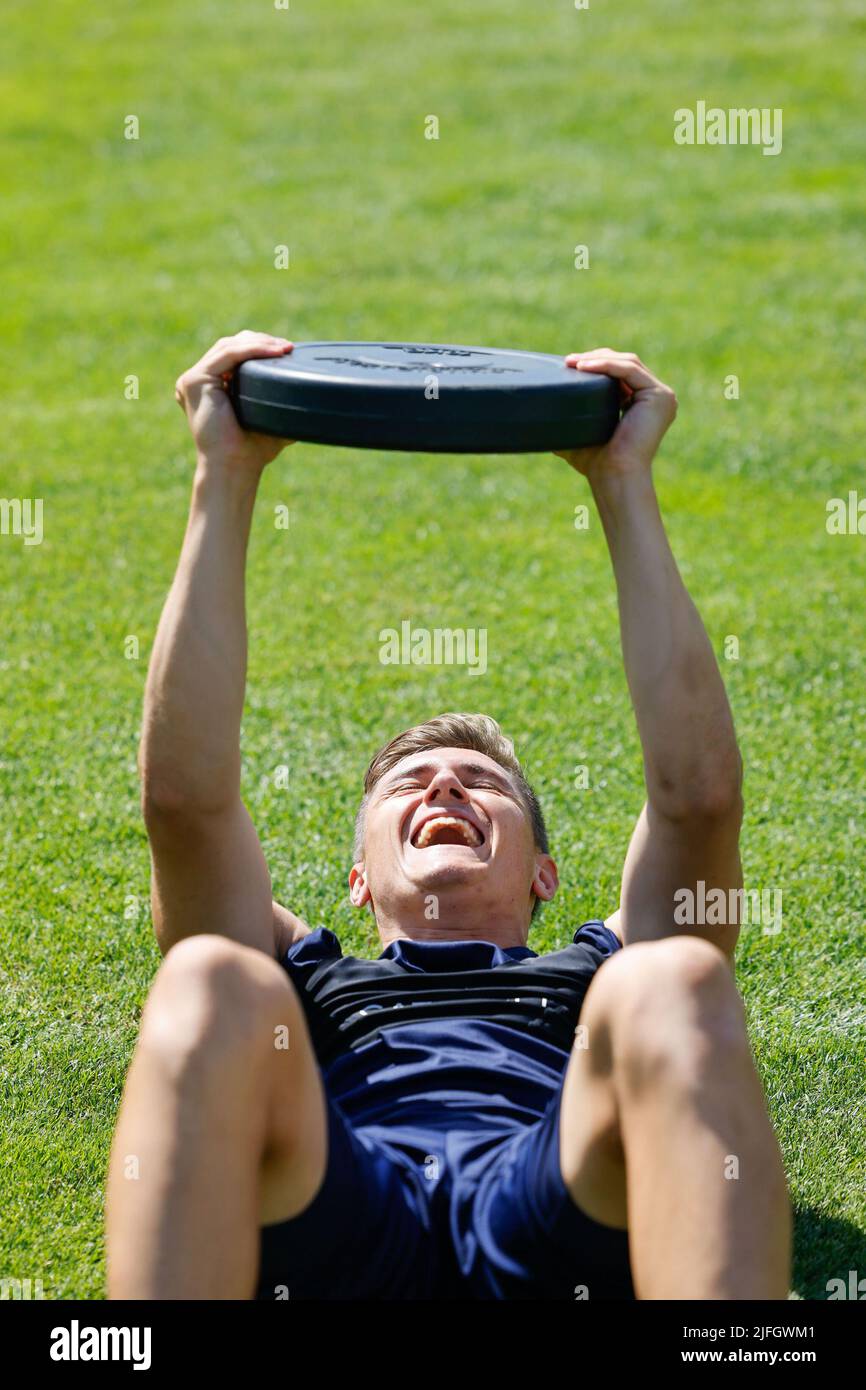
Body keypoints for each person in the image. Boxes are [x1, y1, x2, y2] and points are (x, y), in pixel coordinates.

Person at [105, 331, 791, 1300]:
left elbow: (698, 802)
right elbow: (184, 805)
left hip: (548, 1200)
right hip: (344, 1205)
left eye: (481, 782)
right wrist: (225, 473)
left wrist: (620, 481)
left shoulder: (600, 973)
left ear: (543, 874)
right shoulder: (301, 975)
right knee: (208, 977)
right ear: (356, 878)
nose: (443, 789)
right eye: (409, 782)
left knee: (677, 974)